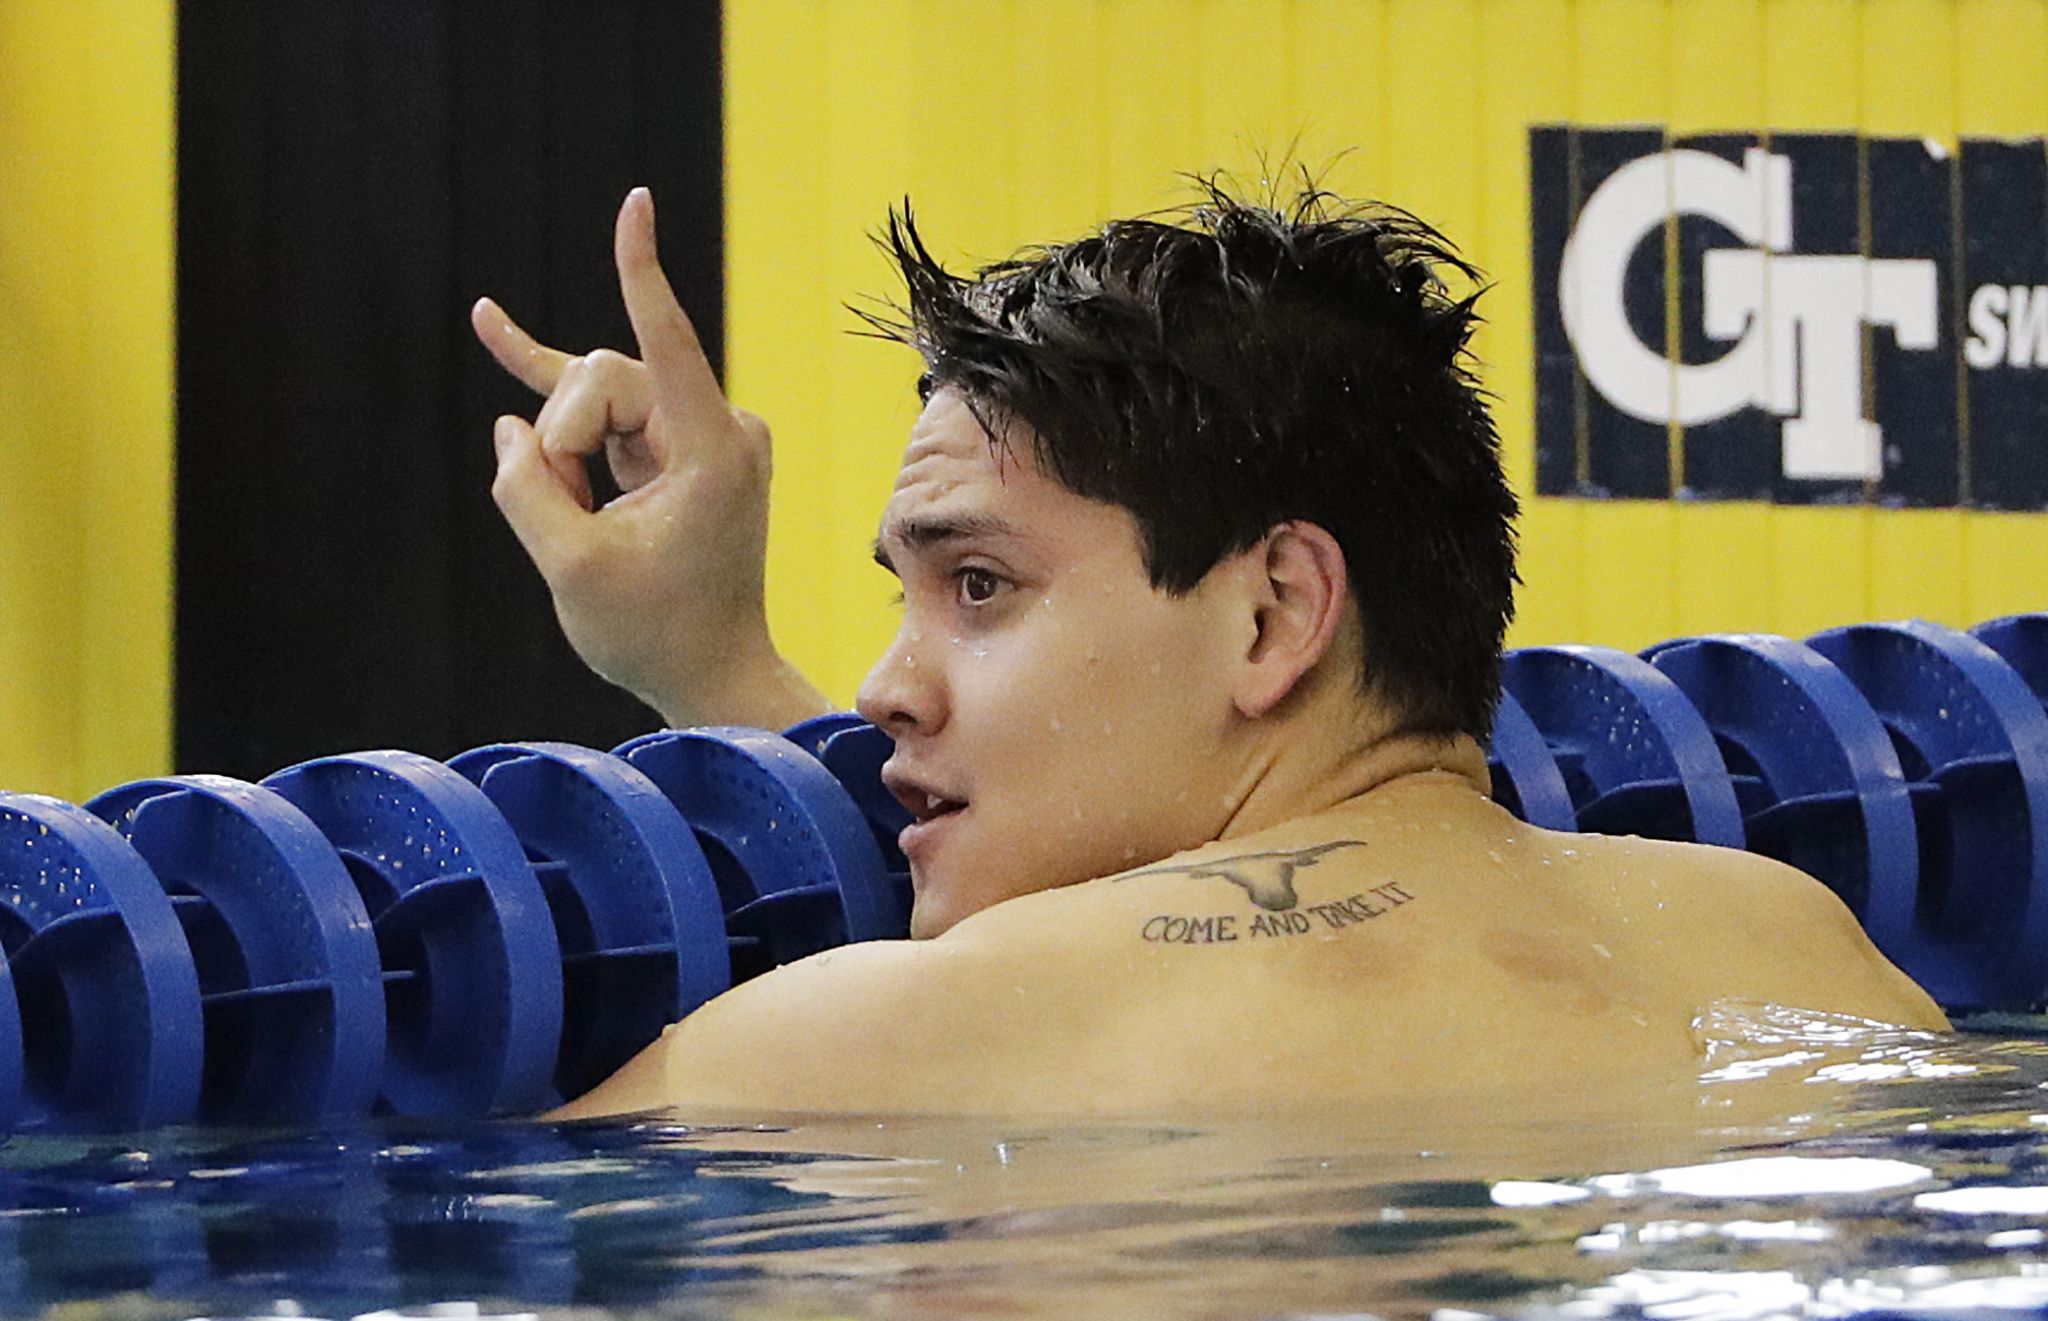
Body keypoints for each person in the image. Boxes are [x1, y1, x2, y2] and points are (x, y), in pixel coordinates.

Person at [470, 182, 1946, 1119]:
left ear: (1273, 615)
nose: (881, 689)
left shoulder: (872, 1053)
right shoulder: (1786, 936)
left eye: (979, 586)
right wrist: (715, 659)